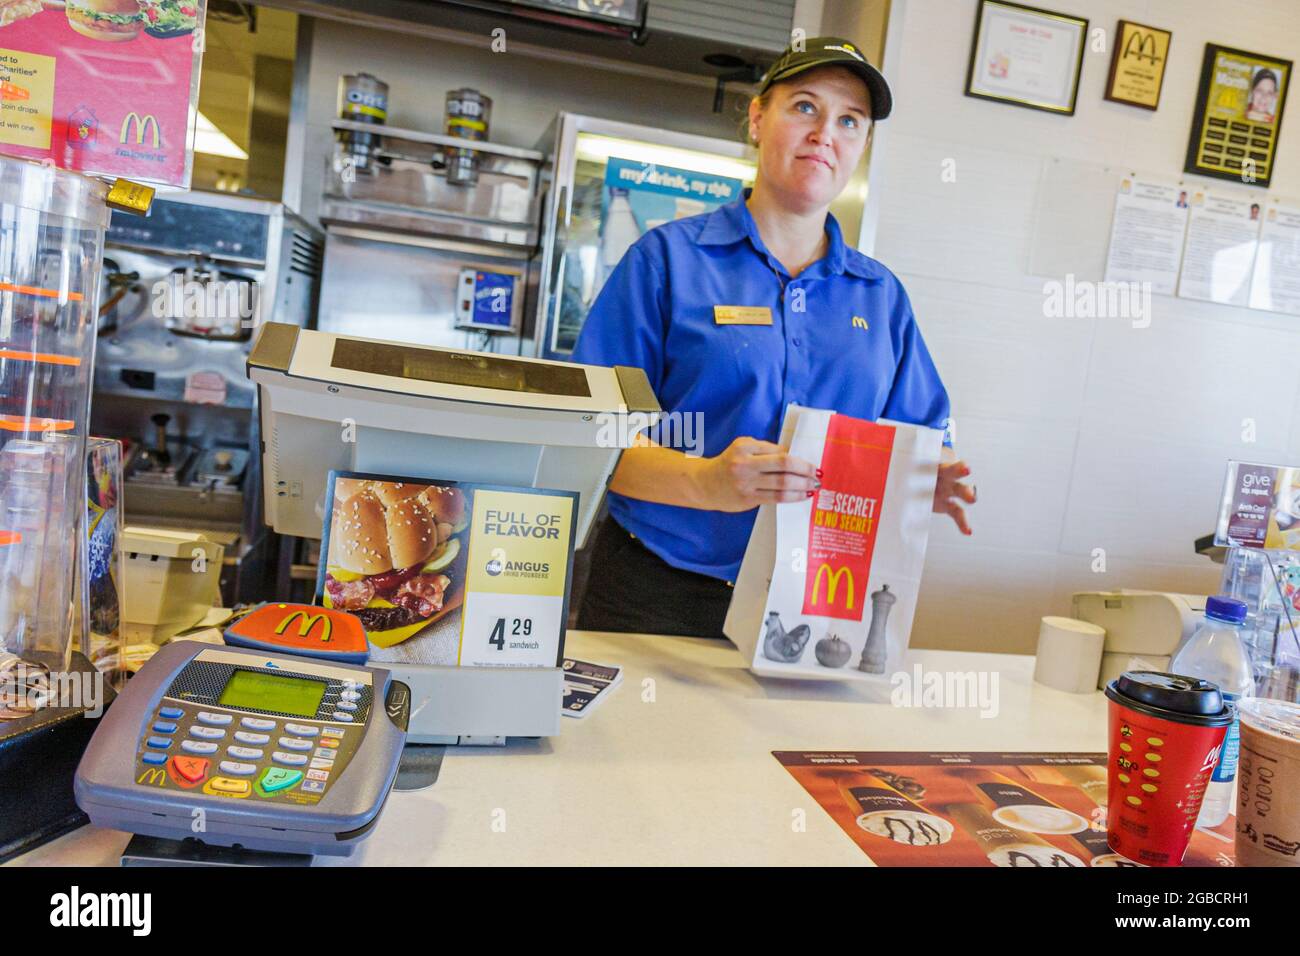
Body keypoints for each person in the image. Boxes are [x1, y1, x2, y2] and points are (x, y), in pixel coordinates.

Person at [572, 37, 974, 639]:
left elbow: (920, 436)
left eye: (849, 120)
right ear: (758, 118)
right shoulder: (667, 261)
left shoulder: (881, 297)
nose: (825, 134)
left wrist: (929, 472)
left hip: (814, 598)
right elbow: (586, 444)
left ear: (861, 145)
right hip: (656, 587)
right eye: (805, 107)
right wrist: (705, 481)